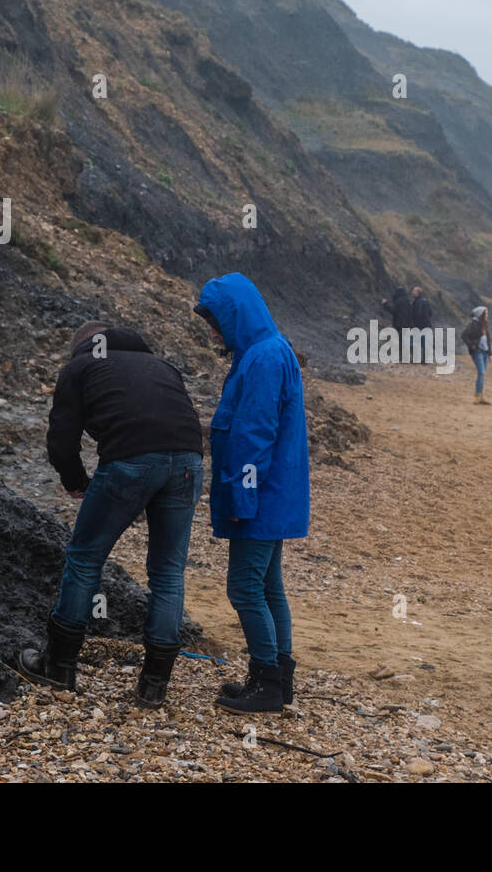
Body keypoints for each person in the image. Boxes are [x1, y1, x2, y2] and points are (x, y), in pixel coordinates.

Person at [19, 321, 204, 708]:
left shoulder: (79, 368)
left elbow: (62, 438)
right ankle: (154, 686)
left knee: (86, 557)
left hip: (131, 461)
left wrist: (75, 480)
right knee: (168, 571)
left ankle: (60, 667)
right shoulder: (161, 365)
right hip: (188, 460)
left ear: (82, 345)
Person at [194, 273, 310, 712]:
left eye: (214, 321)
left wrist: (242, 498)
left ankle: (269, 685)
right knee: (268, 585)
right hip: (275, 496)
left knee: (245, 587)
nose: (211, 330)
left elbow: (254, 436)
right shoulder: (265, 352)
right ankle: (276, 678)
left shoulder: (262, 358)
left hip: (261, 498)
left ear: (233, 316)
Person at [462, 305, 492, 404]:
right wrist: (472, 346)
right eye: (486, 313)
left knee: (482, 375)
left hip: (485, 352)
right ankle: (477, 396)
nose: (487, 315)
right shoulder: (473, 325)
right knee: (482, 373)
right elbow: (464, 335)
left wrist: (490, 354)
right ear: (481, 314)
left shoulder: (484, 324)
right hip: (478, 352)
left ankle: (480, 396)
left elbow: (488, 340)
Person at [410, 286, 433, 364]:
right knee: (424, 343)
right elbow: (430, 312)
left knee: (415, 343)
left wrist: (415, 324)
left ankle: (417, 359)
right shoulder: (424, 301)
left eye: (414, 291)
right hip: (426, 325)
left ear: (418, 293)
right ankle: (425, 360)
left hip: (419, 326)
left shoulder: (417, 302)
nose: (412, 292)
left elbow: (417, 314)